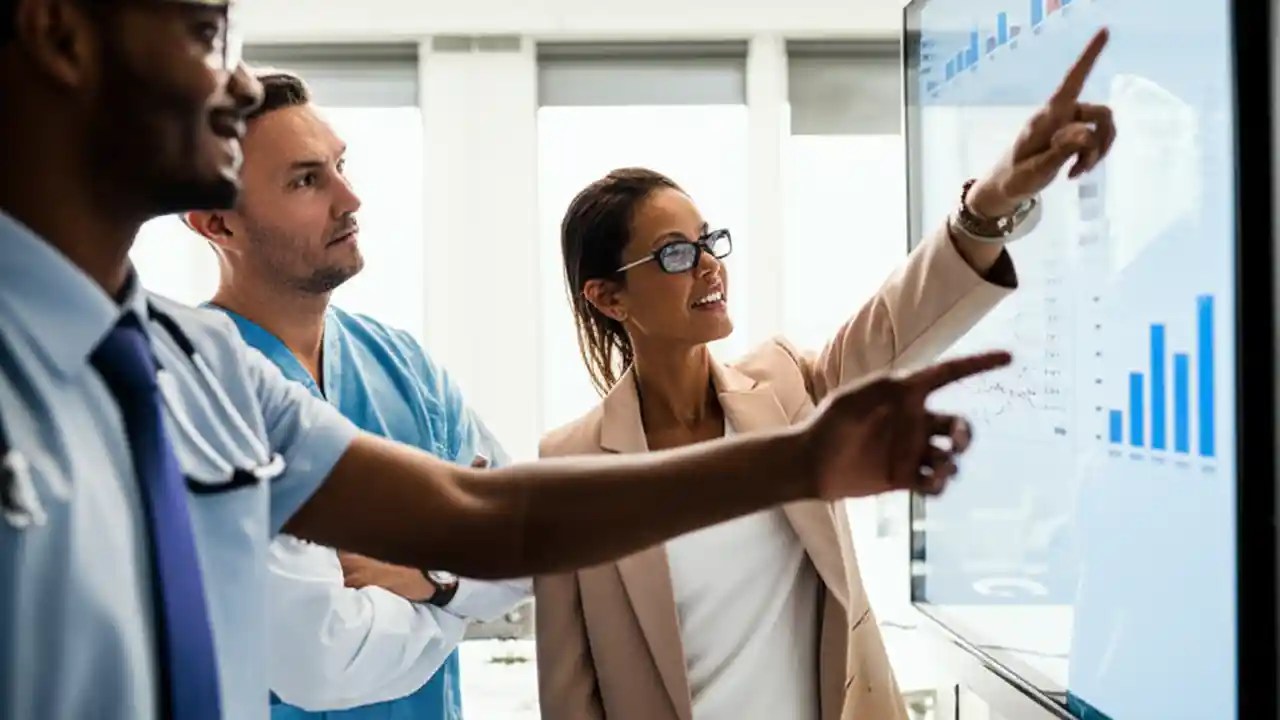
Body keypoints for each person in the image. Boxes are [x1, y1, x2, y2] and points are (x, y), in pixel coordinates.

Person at [0, 0, 1013, 718]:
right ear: (55, 28)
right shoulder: (40, 372)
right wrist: (450, 591)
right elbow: (318, 653)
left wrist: (795, 463)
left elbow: (499, 522)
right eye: (203, 29)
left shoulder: (202, 374)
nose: (235, 81)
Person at [534, 31, 1115, 720]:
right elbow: (571, 698)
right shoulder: (570, 468)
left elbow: (894, 323)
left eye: (709, 241)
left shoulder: (783, 391)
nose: (709, 265)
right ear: (608, 297)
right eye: (673, 255)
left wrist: (989, 202)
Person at [182, 69, 529, 718]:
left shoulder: (408, 369)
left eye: (341, 166)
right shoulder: (194, 386)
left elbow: (520, 549)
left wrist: (432, 580)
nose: (351, 199)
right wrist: (454, 595)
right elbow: (323, 658)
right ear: (216, 224)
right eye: (306, 180)